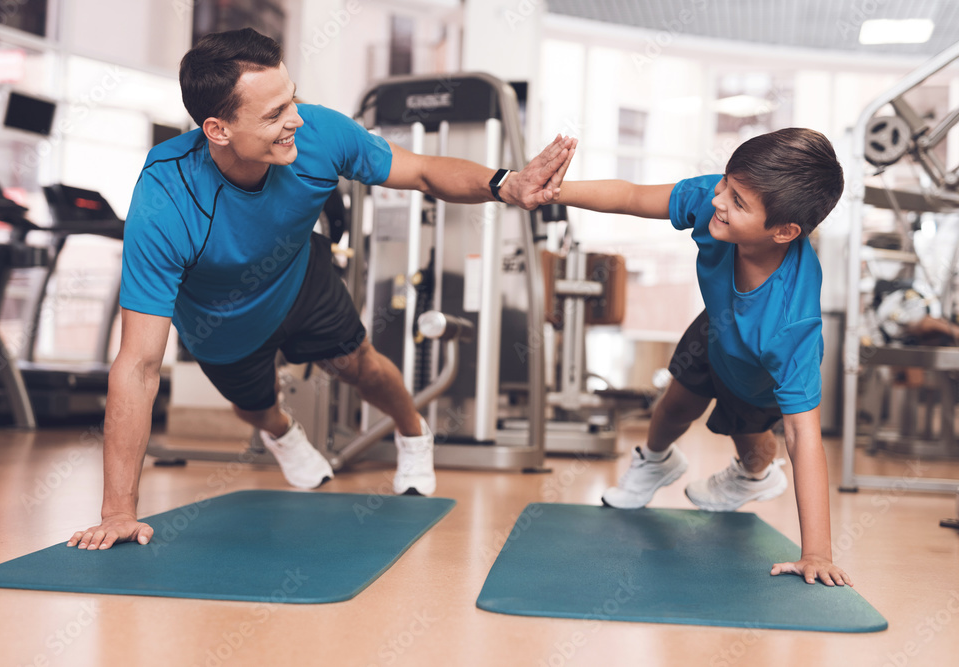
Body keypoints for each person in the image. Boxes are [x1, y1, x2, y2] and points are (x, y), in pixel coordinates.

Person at [68, 28, 575, 551]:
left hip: (297, 278)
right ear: (217, 129)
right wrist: (118, 513)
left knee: (361, 366)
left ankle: (412, 432)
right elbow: (138, 365)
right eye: (273, 114)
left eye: (292, 98)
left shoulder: (319, 134)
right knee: (256, 409)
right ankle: (283, 433)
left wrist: (505, 183)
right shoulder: (166, 198)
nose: (295, 119)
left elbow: (422, 171)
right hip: (218, 323)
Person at [554, 128, 851, 587]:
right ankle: (655, 460)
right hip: (717, 326)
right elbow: (632, 195)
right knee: (674, 404)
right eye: (725, 187)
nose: (718, 201)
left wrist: (816, 553)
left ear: (784, 231)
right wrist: (550, 190)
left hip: (760, 373)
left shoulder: (791, 326)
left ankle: (755, 476)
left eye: (737, 201)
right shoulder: (722, 200)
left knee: (750, 439)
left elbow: (803, 434)